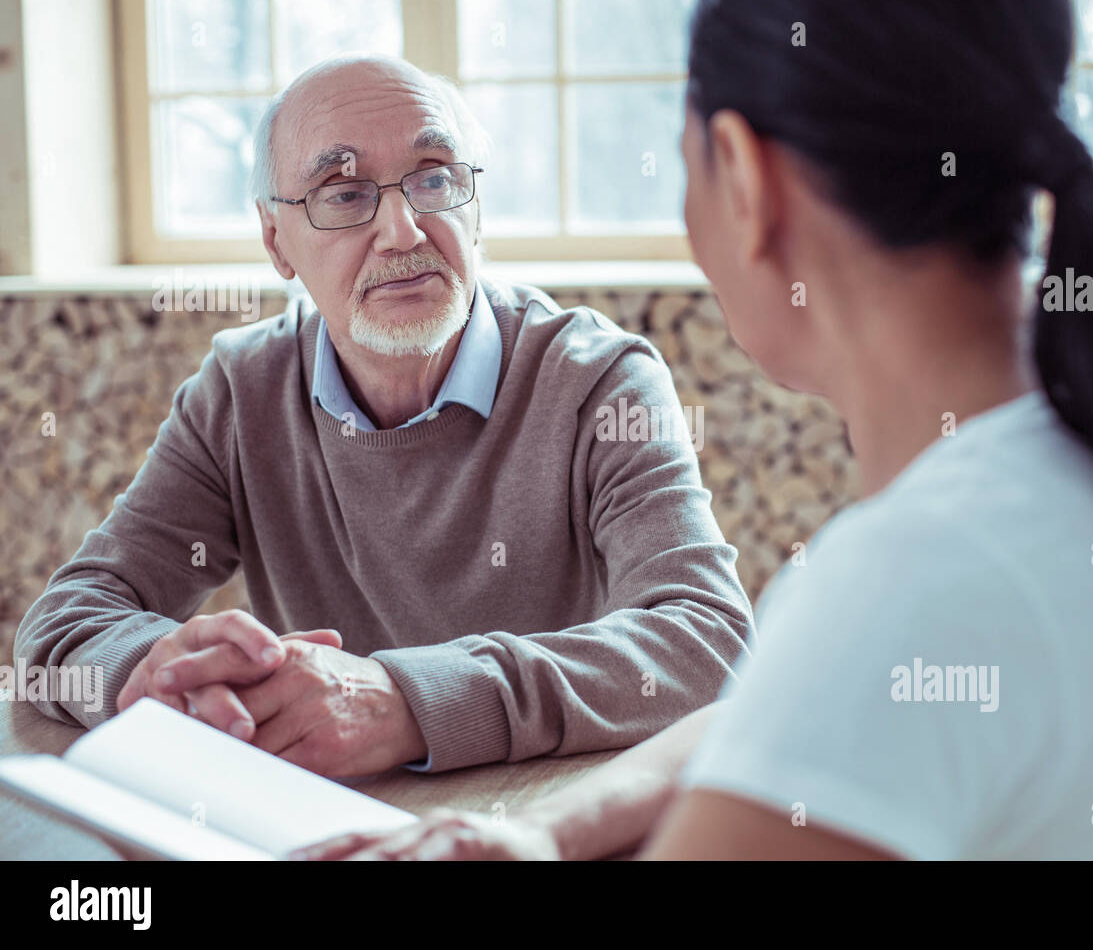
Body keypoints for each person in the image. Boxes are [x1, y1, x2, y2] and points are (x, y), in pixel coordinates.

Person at [296, 0, 1093, 858]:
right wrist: (550, 828)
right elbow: (804, 711)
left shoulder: (911, 580)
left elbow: (855, 672)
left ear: (742, 174)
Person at [13, 55, 754, 778]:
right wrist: (155, 672)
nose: (403, 230)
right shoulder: (242, 392)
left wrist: (405, 701)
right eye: (343, 193)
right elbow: (65, 622)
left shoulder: (599, 381)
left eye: (435, 179)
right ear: (277, 241)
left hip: (544, 815)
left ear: (476, 208)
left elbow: (706, 641)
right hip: (327, 817)